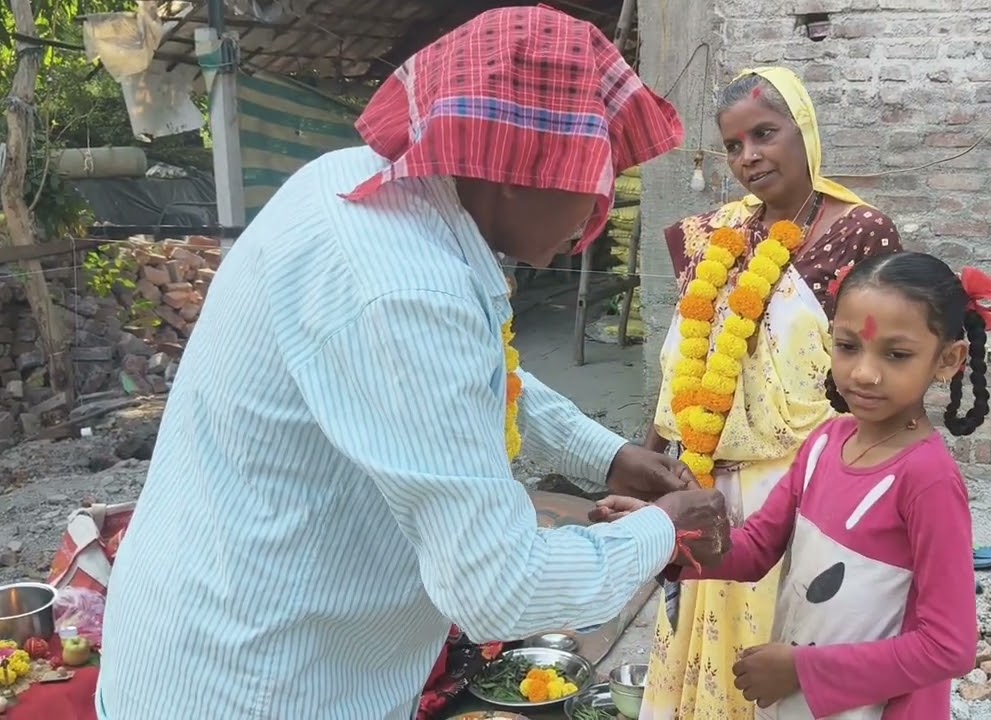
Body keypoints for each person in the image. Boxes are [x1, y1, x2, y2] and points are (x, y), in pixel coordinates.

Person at [96, 8, 731, 720]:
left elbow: (473, 381)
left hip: (272, 644)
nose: (595, 216)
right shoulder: (402, 284)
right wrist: (663, 528)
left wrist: (608, 455)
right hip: (257, 681)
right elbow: (499, 590)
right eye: (596, 176)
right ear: (523, 168)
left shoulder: (377, 192)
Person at [597, 250, 991, 718]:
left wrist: (803, 669)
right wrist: (663, 536)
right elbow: (754, 549)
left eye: (896, 354)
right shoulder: (826, 442)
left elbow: (948, 647)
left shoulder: (926, 480)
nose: (864, 373)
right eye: (848, 346)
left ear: (949, 359)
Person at [638, 67, 903, 718]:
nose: (749, 156)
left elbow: (885, 377)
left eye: (765, 133)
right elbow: (682, 363)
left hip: (806, 490)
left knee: (785, 660)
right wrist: (654, 462)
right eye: (733, 145)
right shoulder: (716, 235)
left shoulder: (860, 235)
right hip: (705, 484)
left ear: (804, 132)